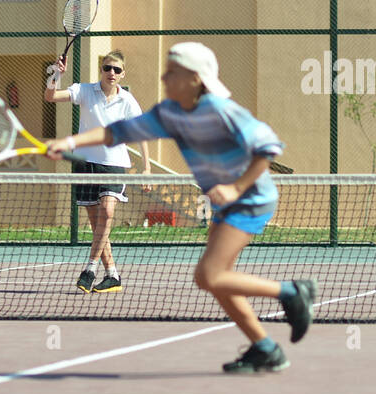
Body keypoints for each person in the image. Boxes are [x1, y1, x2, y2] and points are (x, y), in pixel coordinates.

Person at [46, 42, 316, 373]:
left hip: (250, 199)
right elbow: (117, 132)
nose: (164, 76)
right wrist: (69, 142)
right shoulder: (170, 113)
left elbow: (268, 148)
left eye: (173, 72)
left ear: (195, 79)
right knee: (216, 279)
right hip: (225, 203)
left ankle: (292, 293)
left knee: (208, 275)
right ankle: (264, 347)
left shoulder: (222, 110)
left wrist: (235, 188)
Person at [45, 50, 151, 294]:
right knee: (97, 225)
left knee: (107, 211)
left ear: (122, 74)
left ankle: (90, 269)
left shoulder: (127, 101)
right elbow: (50, 96)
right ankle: (112, 275)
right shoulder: (84, 91)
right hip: (86, 164)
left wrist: (146, 168)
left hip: (114, 164)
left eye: (116, 69)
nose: (111, 73)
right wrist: (55, 75)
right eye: (107, 68)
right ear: (101, 70)